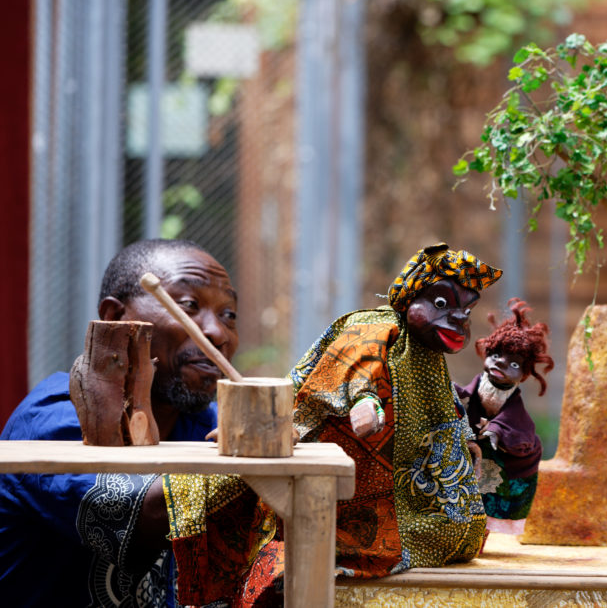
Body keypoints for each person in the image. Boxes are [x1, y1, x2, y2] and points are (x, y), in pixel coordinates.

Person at [164, 242, 501, 606]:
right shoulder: (375, 327)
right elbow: (354, 367)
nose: (458, 319)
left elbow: (441, 401)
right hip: (354, 491)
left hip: (409, 485)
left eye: (466, 310)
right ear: (411, 295)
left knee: (456, 529)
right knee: (311, 535)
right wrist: (366, 401)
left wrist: (465, 436)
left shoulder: (427, 353)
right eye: (442, 304)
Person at [0, 238, 239, 607]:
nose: (217, 334)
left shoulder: (201, 422)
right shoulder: (51, 419)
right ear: (114, 318)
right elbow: (148, 515)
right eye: (189, 306)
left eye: (229, 315)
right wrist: (256, 460)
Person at [457, 298, 552, 534]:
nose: (501, 363)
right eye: (497, 355)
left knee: (489, 501)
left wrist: (496, 430)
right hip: (470, 449)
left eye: (514, 364)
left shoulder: (512, 400)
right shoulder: (478, 386)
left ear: (524, 374)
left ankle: (486, 531)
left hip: (498, 458)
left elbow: (518, 423)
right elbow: (466, 397)